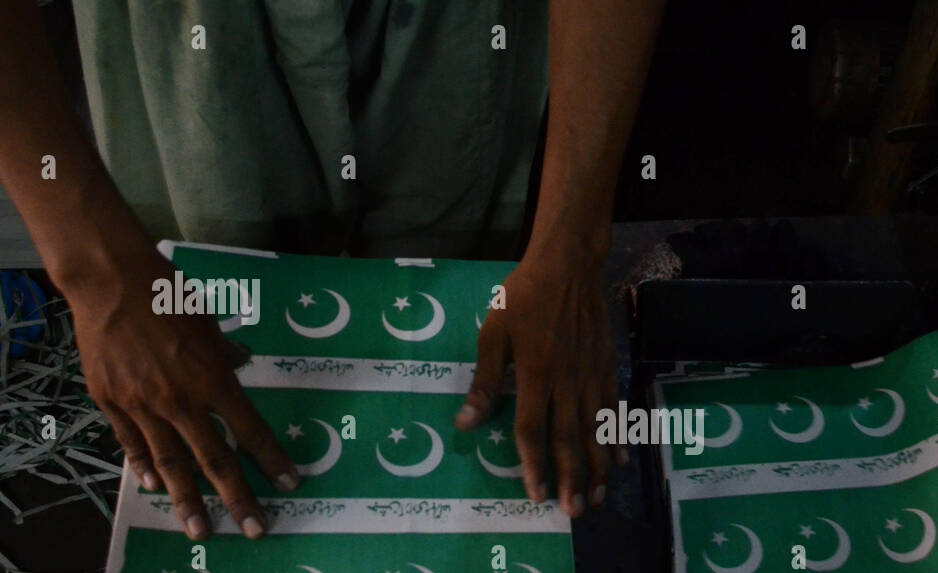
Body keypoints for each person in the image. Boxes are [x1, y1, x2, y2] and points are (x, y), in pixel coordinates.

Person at [0, 0, 662, 540]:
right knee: (221, 342)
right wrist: (96, 276)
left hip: (459, 31)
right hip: (187, 36)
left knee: (461, 335)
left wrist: (571, 244)